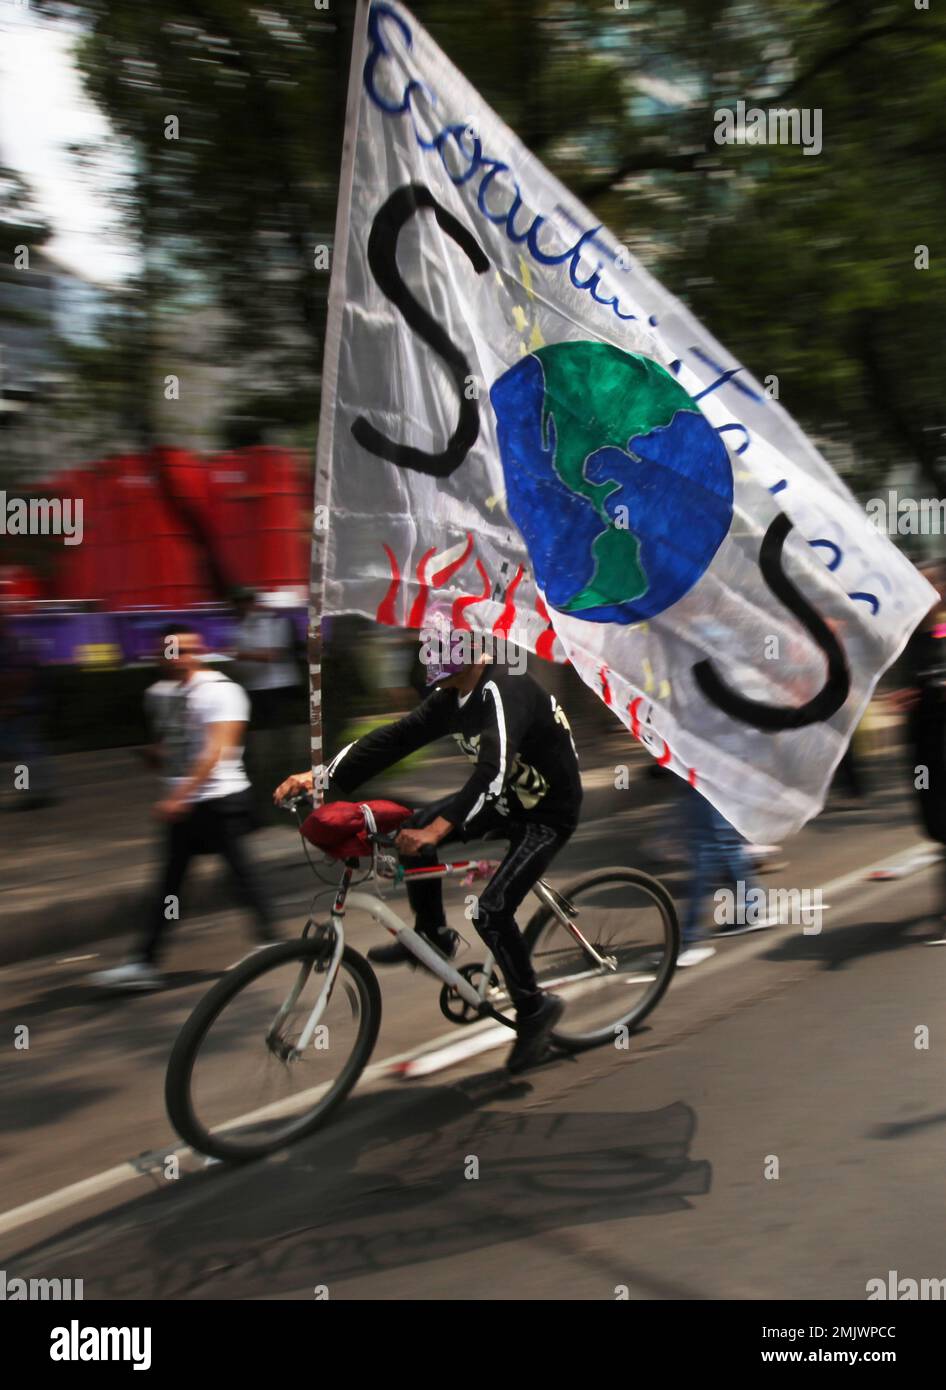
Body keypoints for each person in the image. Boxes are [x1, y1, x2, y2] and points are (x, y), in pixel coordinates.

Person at [274, 632, 583, 1073]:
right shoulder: (451, 696)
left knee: (491, 909)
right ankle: (433, 936)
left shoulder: (503, 686)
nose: (439, 657)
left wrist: (440, 829)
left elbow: (492, 771)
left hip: (547, 812)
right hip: (502, 801)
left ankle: (535, 1010)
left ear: (480, 651)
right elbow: (393, 739)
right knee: (410, 828)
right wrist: (317, 777)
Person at [91, 627, 277, 992]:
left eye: (187, 649)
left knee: (239, 876)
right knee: (175, 884)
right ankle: (145, 962)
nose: (179, 655)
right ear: (161, 656)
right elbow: (175, 749)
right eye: (172, 650)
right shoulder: (169, 695)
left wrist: (179, 796)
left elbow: (217, 750)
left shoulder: (221, 692)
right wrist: (156, 757)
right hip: (191, 805)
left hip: (220, 801)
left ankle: (270, 943)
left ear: (200, 651)